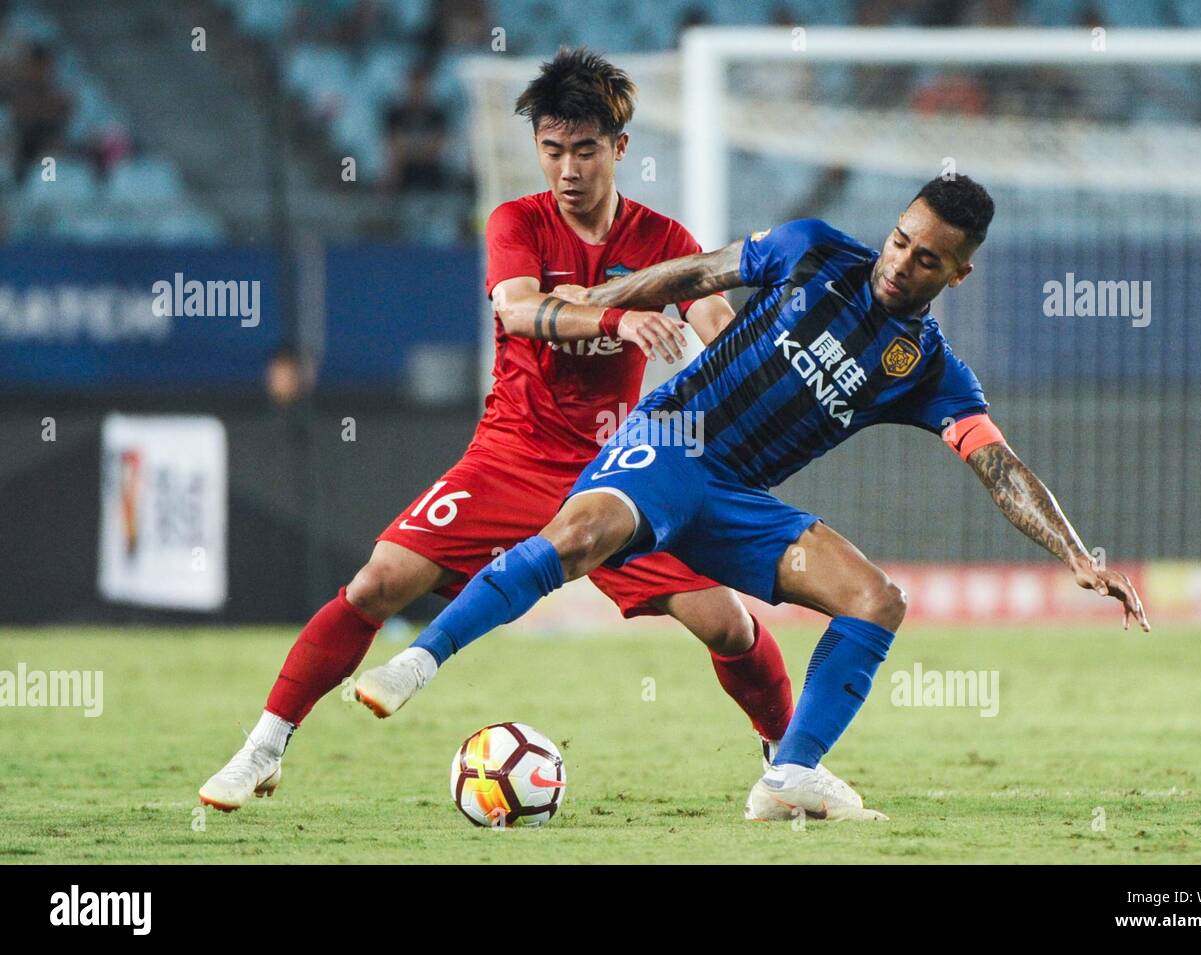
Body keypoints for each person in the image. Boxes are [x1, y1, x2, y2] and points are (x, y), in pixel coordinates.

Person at [356, 174, 1151, 821]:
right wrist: (615, 305)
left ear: (958, 272)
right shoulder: (811, 250)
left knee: (877, 600)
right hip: (672, 446)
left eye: (927, 259)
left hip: (738, 501)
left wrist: (1077, 554)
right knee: (577, 538)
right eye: (901, 240)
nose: (902, 262)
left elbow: (999, 465)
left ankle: (788, 774)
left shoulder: (928, 368)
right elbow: (699, 273)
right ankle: (418, 660)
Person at [199, 49, 806, 812]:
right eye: (553, 149)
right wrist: (620, 316)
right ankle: (263, 747)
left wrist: (760, 356)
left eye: (585, 149)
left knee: (727, 624)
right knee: (377, 581)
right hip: (510, 457)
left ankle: (790, 766)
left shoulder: (663, 239)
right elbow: (518, 311)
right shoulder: (516, 221)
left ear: (620, 148)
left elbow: (715, 322)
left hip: (619, 474)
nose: (568, 167)